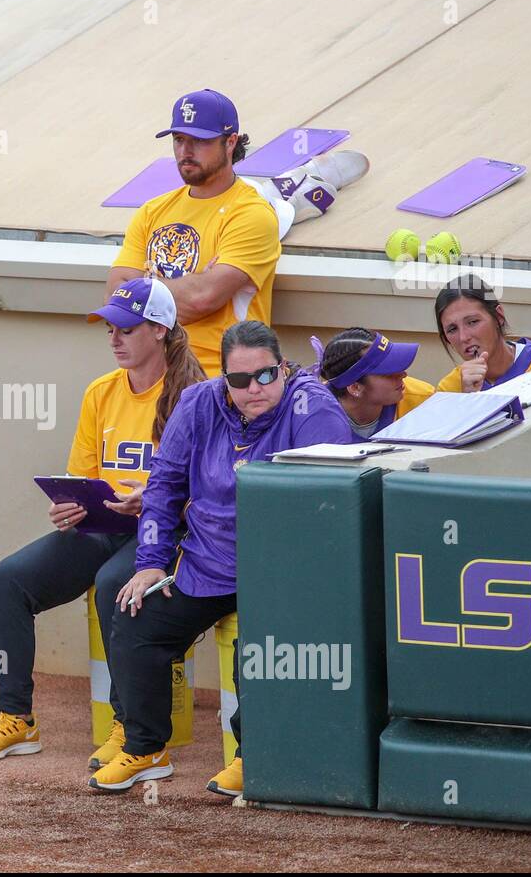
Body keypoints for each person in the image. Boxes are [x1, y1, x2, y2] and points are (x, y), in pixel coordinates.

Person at [91, 320, 353, 794]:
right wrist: (151, 561)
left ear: (284, 368)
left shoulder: (313, 409)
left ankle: (252, 757)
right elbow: (165, 487)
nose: (254, 389)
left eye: (266, 376)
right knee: (135, 616)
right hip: (206, 563)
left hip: (281, 567)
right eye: (239, 380)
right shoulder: (198, 402)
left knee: (257, 646)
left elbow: (331, 505)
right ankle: (145, 747)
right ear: (224, 378)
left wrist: (294, 578)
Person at [0, 278, 205, 765]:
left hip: (168, 530)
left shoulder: (195, 397)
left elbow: (208, 492)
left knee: (119, 584)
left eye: (125, 327)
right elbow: (84, 476)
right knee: (9, 580)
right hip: (106, 523)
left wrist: (154, 500)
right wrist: (71, 504)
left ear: (159, 330)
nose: (113, 338)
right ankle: (16, 718)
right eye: (109, 328)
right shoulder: (100, 392)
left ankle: (129, 728)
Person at [107, 89, 281, 378]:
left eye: (199, 141)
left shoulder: (251, 214)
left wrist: (144, 284)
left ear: (230, 142)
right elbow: (115, 297)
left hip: (217, 379)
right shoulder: (152, 210)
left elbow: (201, 298)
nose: (185, 152)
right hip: (150, 373)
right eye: (179, 140)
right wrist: (193, 282)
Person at [434, 274, 531, 392]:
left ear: (498, 316)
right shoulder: (450, 389)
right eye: (452, 330)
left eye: (473, 322)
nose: (464, 337)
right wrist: (468, 400)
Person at [316, 328, 434, 441]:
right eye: (388, 372)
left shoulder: (423, 401)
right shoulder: (312, 413)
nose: (403, 374)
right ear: (355, 387)